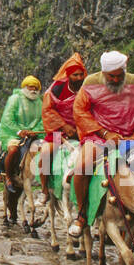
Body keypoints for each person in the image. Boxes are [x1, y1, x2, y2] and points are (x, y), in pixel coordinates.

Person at [70, 50, 134, 233]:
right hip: (98, 137)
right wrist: (105, 133)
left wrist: (133, 138)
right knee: (83, 167)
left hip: (130, 138)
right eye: (112, 76)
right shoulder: (90, 83)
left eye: (120, 76)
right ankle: (81, 214)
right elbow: (80, 112)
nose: (117, 80)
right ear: (104, 73)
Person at [37, 53, 86, 201]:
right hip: (59, 132)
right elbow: (48, 110)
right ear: (68, 75)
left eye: (81, 74)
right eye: (75, 75)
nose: (79, 78)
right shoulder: (56, 89)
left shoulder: (86, 88)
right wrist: (64, 126)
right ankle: (44, 190)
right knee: (46, 153)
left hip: (82, 130)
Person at [0, 75, 44, 221]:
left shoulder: (39, 102)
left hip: (32, 135)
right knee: (13, 150)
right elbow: (7, 119)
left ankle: (43, 180)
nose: (33, 90)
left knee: (45, 150)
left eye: (35, 88)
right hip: (12, 133)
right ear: (24, 88)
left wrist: (34, 131)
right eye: (30, 87)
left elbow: (42, 120)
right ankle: (9, 176)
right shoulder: (15, 99)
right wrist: (19, 131)